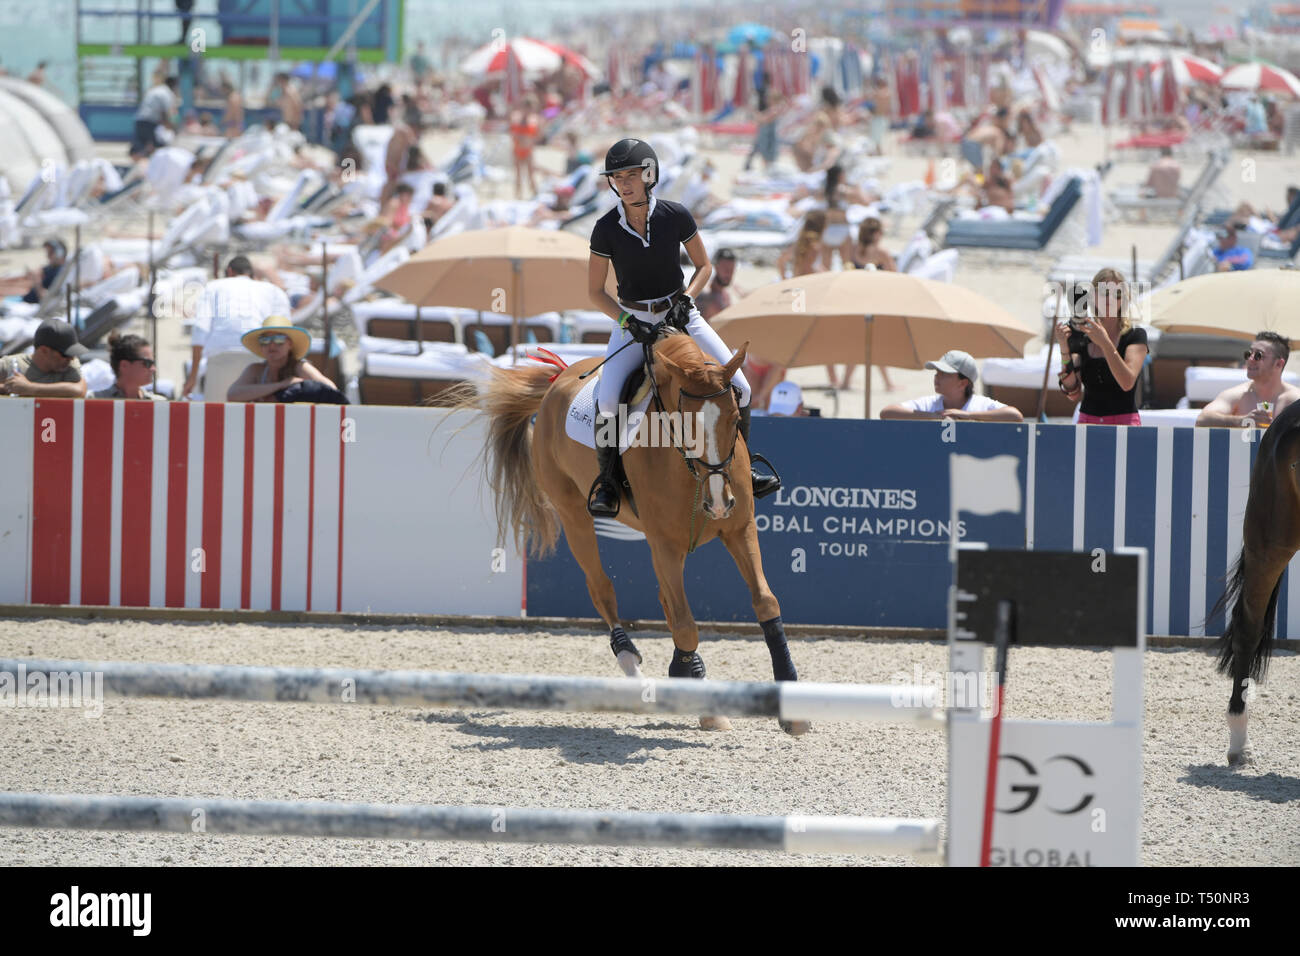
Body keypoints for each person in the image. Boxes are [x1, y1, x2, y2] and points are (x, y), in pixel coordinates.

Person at [585, 138, 779, 517]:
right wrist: (627, 321)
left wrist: (687, 298)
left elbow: (703, 266)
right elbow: (594, 292)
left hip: (681, 313)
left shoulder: (675, 215)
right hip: (632, 321)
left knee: (740, 386)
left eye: (631, 175)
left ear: (649, 175)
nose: (624, 184)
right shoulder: (604, 229)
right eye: (617, 177)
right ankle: (608, 481)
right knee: (608, 400)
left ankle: (746, 468)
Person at [183, 255, 292, 398]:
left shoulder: (212, 287)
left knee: (218, 416)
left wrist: (193, 377)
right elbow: (285, 331)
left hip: (221, 355)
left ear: (229, 271)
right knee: (253, 417)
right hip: (259, 356)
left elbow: (200, 331)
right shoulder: (273, 291)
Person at [1054, 268, 1149, 426]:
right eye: (1104, 291)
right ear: (1092, 296)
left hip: (1124, 424)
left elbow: (1126, 382)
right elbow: (1072, 392)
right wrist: (1064, 348)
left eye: (1117, 293)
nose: (1110, 298)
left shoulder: (1135, 335)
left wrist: (1105, 343)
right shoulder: (1081, 335)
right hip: (1087, 423)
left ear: (1124, 299)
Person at [879, 350, 1022, 421]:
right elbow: (886, 412)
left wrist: (969, 415)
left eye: (944, 374)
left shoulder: (980, 404)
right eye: (937, 372)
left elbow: (1015, 416)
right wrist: (932, 417)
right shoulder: (929, 404)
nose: (936, 377)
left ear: (963, 383)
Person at [1196, 332, 1300, 428]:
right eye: (1248, 354)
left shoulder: (1295, 400)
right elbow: (1202, 420)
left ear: (1278, 364)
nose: (1250, 359)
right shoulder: (1238, 395)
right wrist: (1241, 421)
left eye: (1258, 355)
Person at [226, 317, 341, 403]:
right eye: (265, 340)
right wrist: (281, 385)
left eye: (279, 340)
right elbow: (233, 395)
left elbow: (331, 390)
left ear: (290, 344)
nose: (272, 345)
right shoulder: (256, 370)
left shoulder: (300, 367)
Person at [0, 319, 89, 399]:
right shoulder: (9, 364)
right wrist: (7, 388)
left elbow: (79, 391)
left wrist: (29, 388)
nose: (71, 358)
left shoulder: (70, 364)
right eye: (65, 354)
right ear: (44, 350)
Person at [93, 332, 165, 400]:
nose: (153, 369)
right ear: (124, 365)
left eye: (153, 363)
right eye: (147, 363)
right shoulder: (93, 402)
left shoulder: (158, 405)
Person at [131, 76, 178, 158]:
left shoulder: (156, 89)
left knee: (141, 145)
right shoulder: (167, 93)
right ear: (174, 85)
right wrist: (172, 127)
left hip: (140, 119)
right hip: (150, 122)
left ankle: (139, 163)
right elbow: (166, 112)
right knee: (158, 145)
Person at [694, 248, 742, 321]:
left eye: (731, 269)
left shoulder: (732, 291)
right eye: (725, 269)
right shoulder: (704, 294)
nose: (728, 273)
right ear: (716, 267)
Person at [509, 95, 541, 199]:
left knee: (531, 174)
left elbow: (537, 135)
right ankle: (518, 196)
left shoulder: (534, 119)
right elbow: (512, 133)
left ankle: (535, 195)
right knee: (518, 175)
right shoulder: (516, 117)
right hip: (517, 149)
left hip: (528, 150)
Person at [22, 238, 67, 305]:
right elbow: (40, 270)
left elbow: (47, 299)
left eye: (50, 253)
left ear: (60, 254)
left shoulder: (60, 273)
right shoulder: (51, 268)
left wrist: (37, 282)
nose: (48, 256)